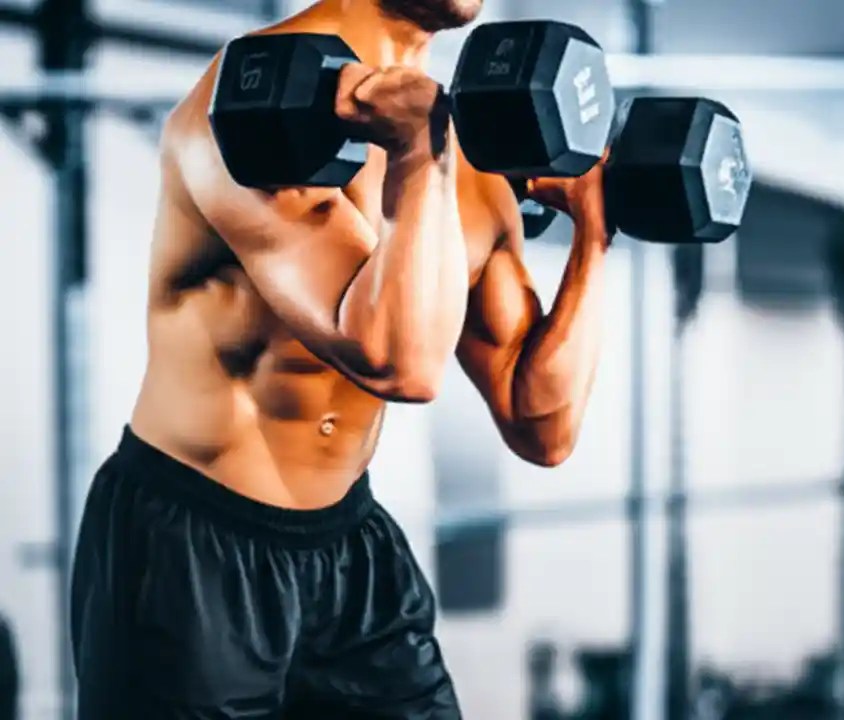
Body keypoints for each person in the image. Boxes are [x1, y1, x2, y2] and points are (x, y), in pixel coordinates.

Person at [69, 0, 612, 716]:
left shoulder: (468, 158)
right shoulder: (247, 99)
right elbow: (399, 362)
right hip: (191, 547)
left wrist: (593, 235)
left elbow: (540, 424)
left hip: (350, 549)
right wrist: (421, 157)